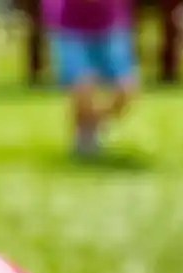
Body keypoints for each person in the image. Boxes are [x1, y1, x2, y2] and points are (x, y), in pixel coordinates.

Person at [45, 0, 138, 156]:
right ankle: (85, 132)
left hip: (111, 26)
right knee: (83, 87)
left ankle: (92, 124)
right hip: (72, 28)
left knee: (126, 91)